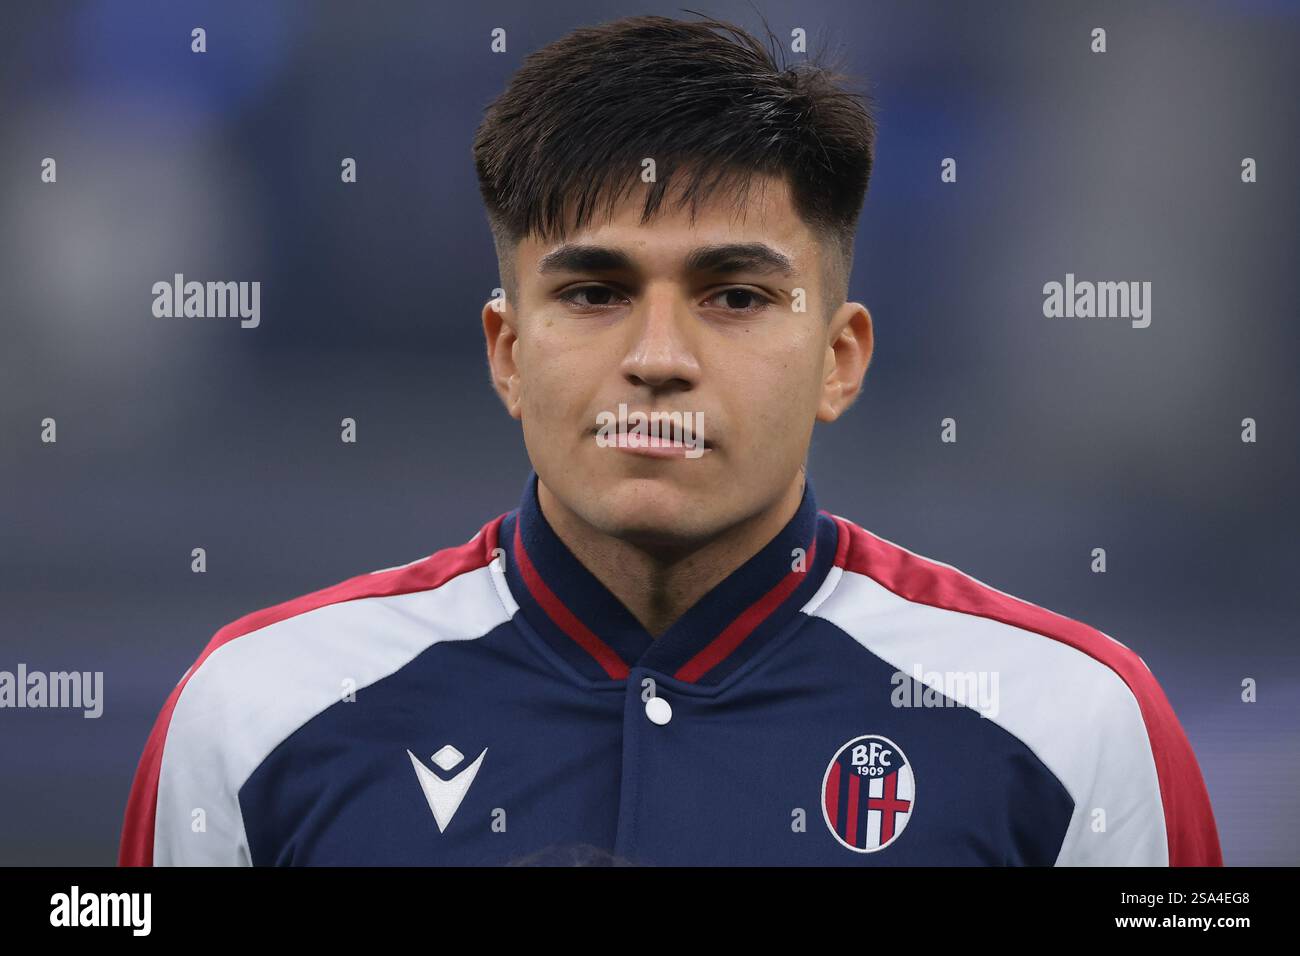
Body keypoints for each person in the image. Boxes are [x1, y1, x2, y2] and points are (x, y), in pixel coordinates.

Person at [119, 13, 1221, 866]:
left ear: (839, 359)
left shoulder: (1070, 721)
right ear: (508, 352)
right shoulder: (259, 712)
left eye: (735, 296)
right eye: (594, 293)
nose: (657, 356)